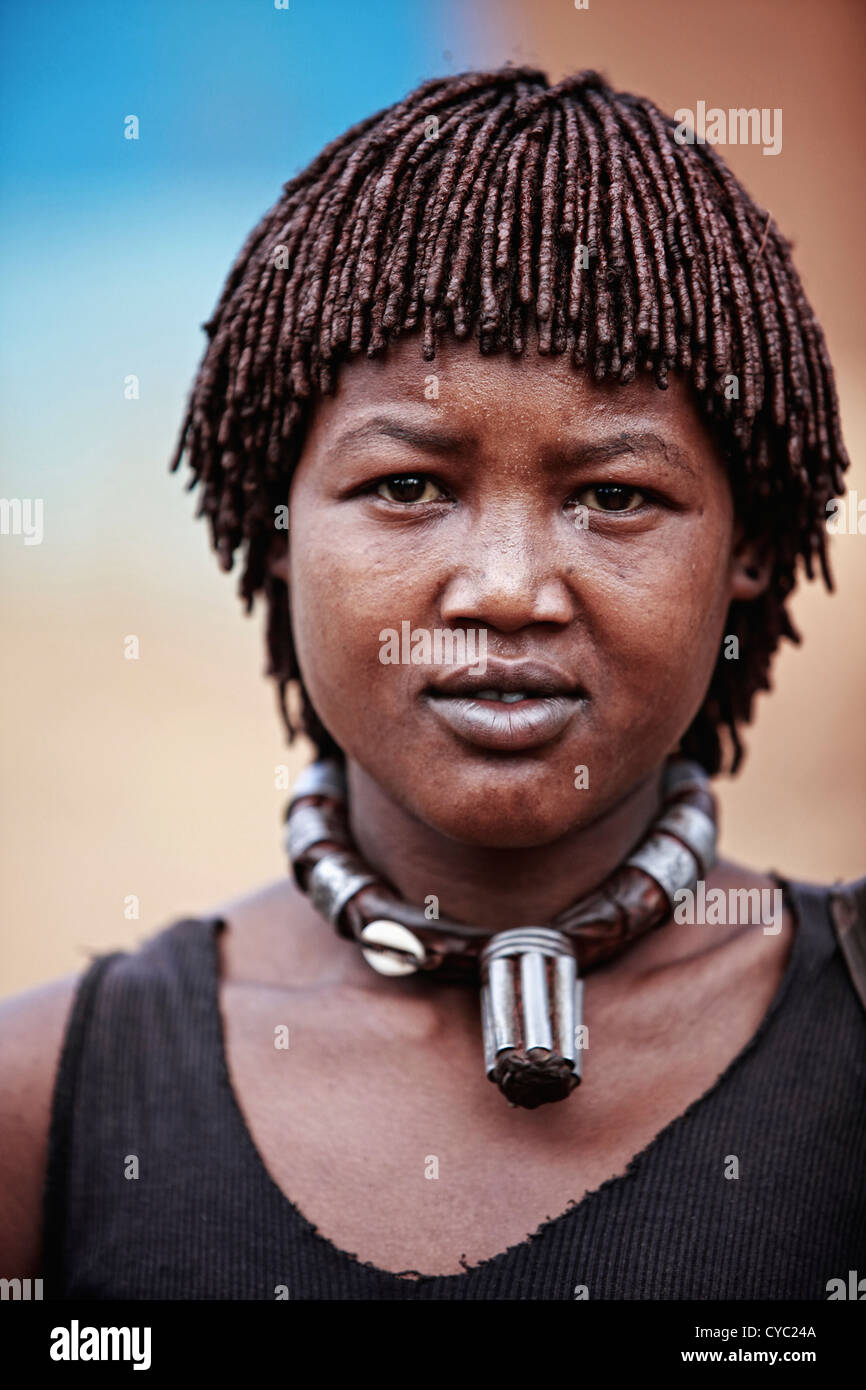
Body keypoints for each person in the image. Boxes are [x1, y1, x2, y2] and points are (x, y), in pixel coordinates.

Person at [1, 66, 863, 1301]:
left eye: (613, 495)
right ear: (277, 522)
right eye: (406, 485)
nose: (506, 589)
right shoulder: (48, 1105)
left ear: (747, 550)